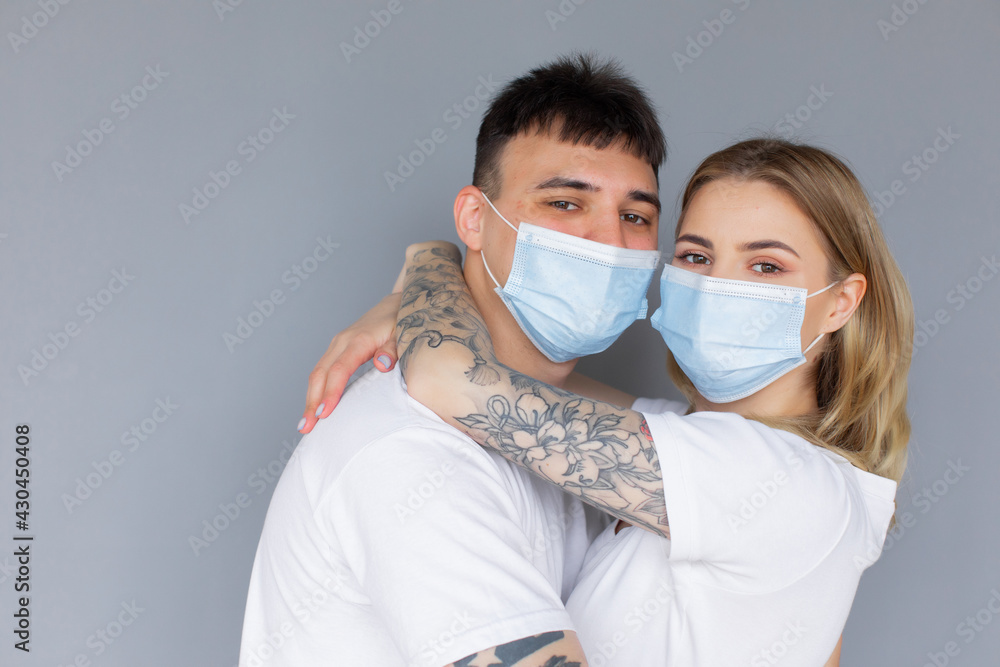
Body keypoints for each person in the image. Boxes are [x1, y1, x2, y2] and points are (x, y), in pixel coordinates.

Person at [309, 138, 910, 664]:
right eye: (697, 257)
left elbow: (453, 381)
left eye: (766, 265)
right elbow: (519, 372)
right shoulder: (712, 447)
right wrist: (418, 301)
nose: (719, 285)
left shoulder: (780, 479)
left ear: (841, 302)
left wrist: (431, 259)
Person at [239, 54, 670, 667]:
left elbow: (743, 463)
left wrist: (428, 266)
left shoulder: (578, 427)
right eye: (566, 203)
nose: (609, 239)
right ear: (475, 218)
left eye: (635, 216)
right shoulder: (406, 451)